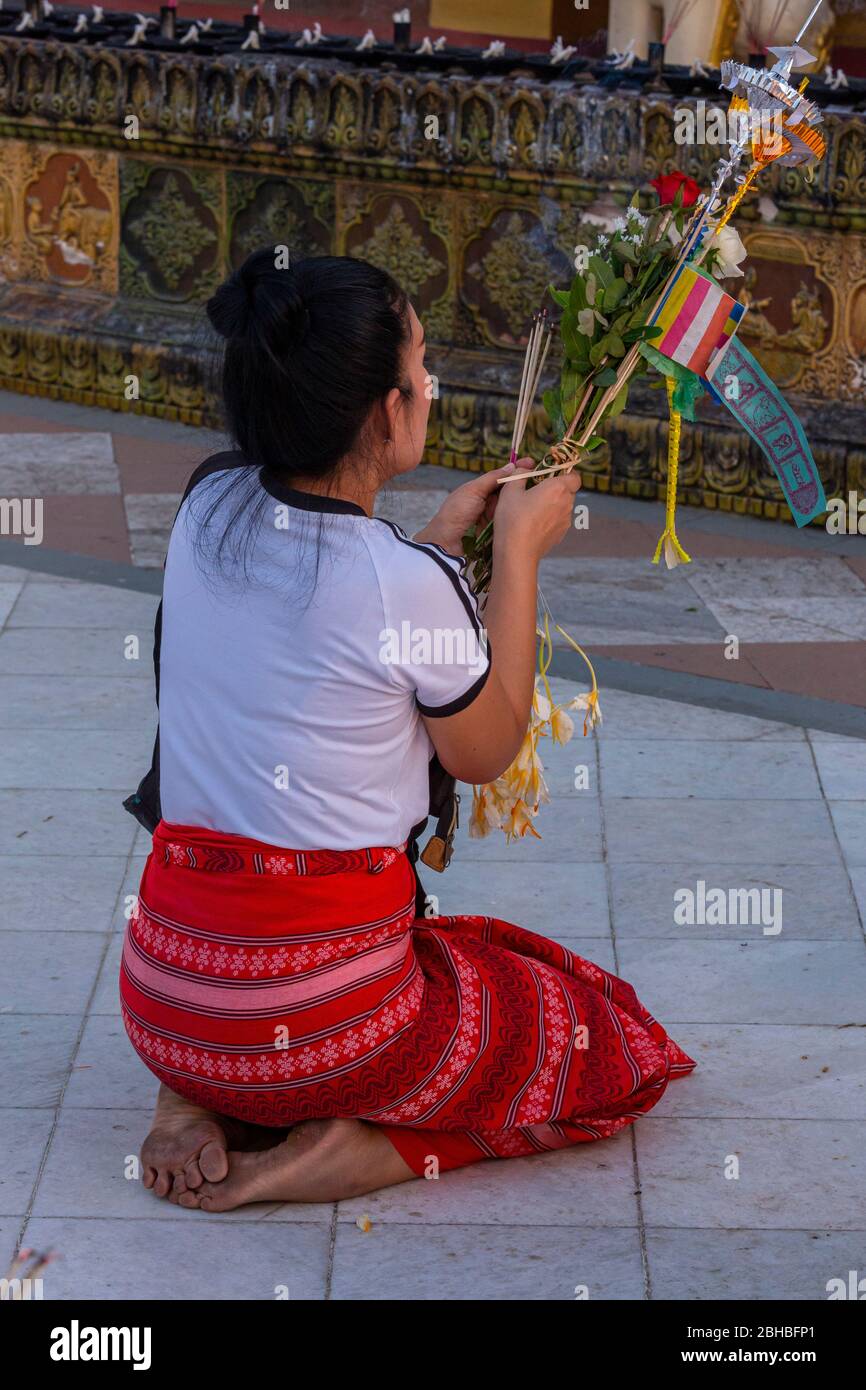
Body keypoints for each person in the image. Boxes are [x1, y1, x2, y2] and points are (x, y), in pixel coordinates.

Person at [121, 249, 694, 1212]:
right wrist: (516, 554)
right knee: (605, 1046)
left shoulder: (205, 502)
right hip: (326, 1020)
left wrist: (433, 546)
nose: (430, 383)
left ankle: (202, 1092)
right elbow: (484, 750)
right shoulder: (402, 582)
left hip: (170, 997)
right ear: (389, 409)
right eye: (421, 363)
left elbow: (315, 619)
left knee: (285, 998)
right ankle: (350, 1152)